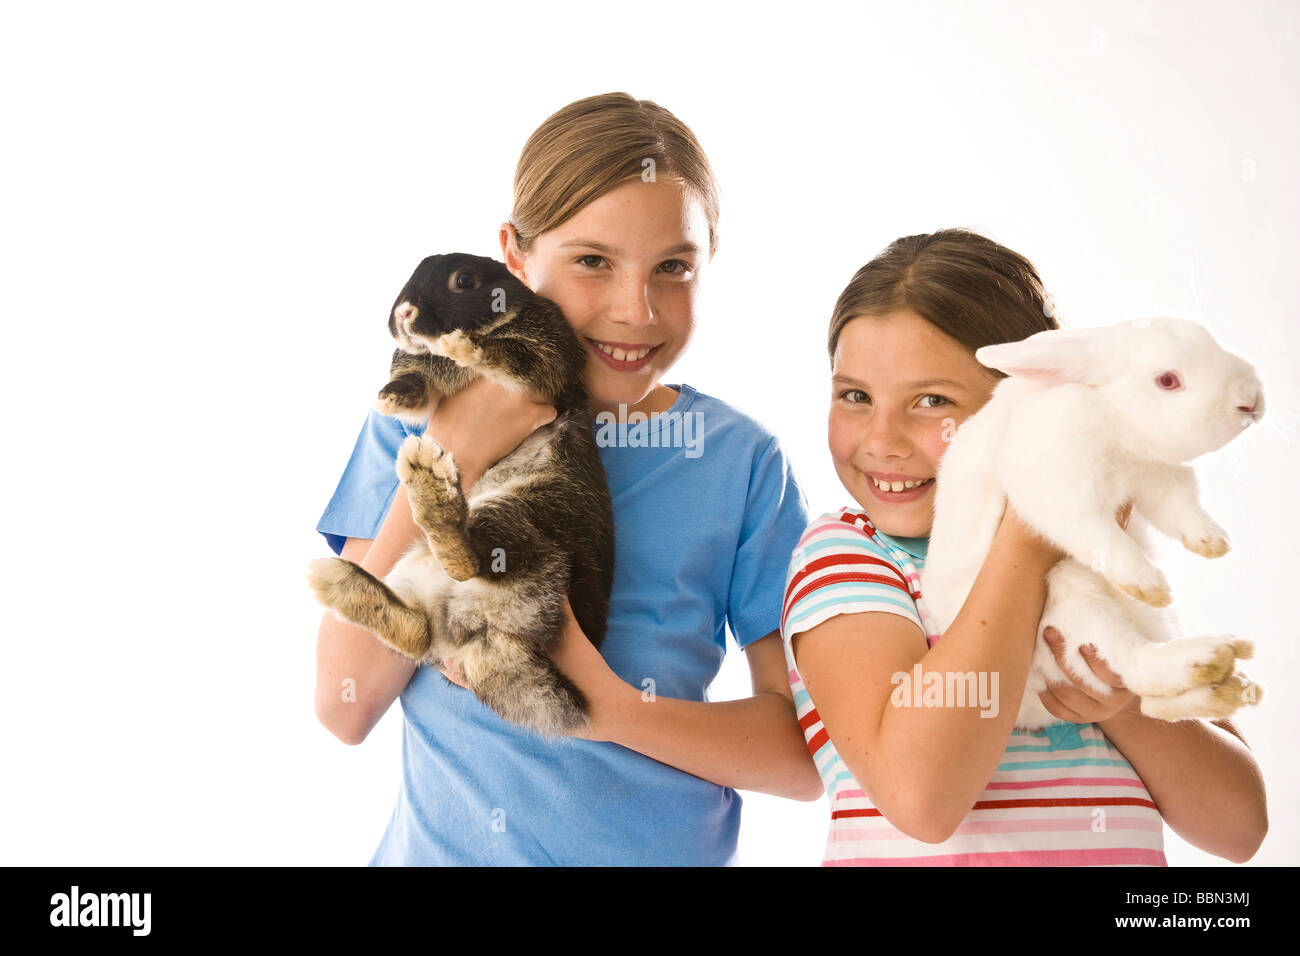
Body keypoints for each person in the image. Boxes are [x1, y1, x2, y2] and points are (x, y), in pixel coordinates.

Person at [313, 92, 822, 866]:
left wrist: (605, 710)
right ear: (514, 257)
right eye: (592, 261)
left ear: (711, 259)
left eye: (673, 268)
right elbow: (343, 707)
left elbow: (800, 756)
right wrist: (456, 456)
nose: (635, 309)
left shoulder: (741, 461)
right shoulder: (418, 418)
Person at [782, 229, 1268, 865]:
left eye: (933, 401)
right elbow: (922, 798)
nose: (883, 439)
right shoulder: (849, 557)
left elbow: (1239, 830)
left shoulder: (1103, 554)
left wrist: (1126, 705)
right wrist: (1029, 539)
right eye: (856, 396)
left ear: (1028, 398)